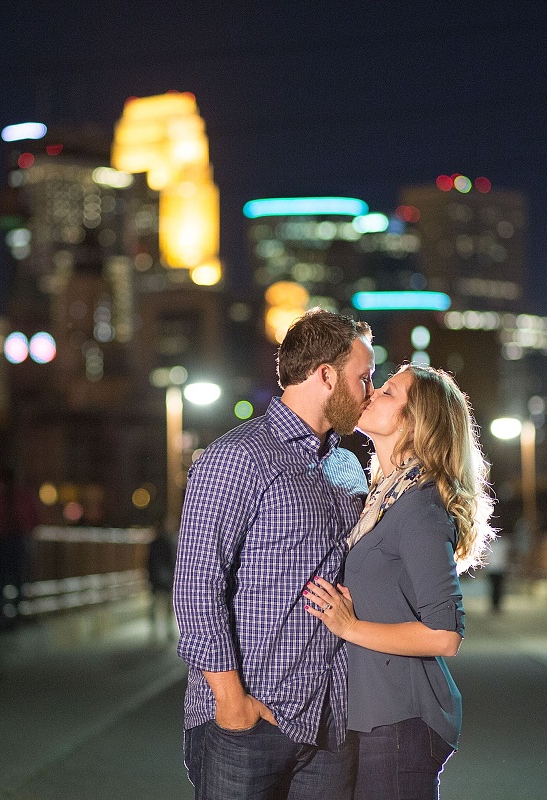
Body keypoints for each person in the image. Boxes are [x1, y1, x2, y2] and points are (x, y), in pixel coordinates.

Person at [174, 308, 375, 800]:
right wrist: (231, 701)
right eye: (364, 377)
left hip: (330, 723)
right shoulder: (237, 457)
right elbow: (197, 584)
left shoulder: (348, 466)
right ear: (326, 375)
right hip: (250, 719)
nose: (370, 391)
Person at [304, 364, 494, 800]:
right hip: (375, 714)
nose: (371, 393)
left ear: (413, 422)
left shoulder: (421, 506)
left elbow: (445, 635)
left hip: (401, 718)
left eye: (388, 392)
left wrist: (351, 627)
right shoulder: (384, 498)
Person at [0, 471, 41, 628]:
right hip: (12, 539)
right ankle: (8, 614)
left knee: (9, 578)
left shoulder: (7, 496)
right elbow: (36, 517)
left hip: (12, 539)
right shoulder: (15, 496)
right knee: (13, 578)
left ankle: (6, 614)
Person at [146, 517, 178, 643]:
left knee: (157, 605)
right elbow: (172, 561)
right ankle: (166, 631)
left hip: (157, 579)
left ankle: (156, 632)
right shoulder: (168, 542)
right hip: (165, 579)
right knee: (165, 606)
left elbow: (149, 562)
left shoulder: (156, 543)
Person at [484, 532, 510, 614]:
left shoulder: (490, 545)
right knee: (497, 588)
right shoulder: (503, 544)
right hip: (497, 569)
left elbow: (486, 557)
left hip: (495, 569)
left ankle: (495, 606)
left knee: (495, 589)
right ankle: (496, 606)